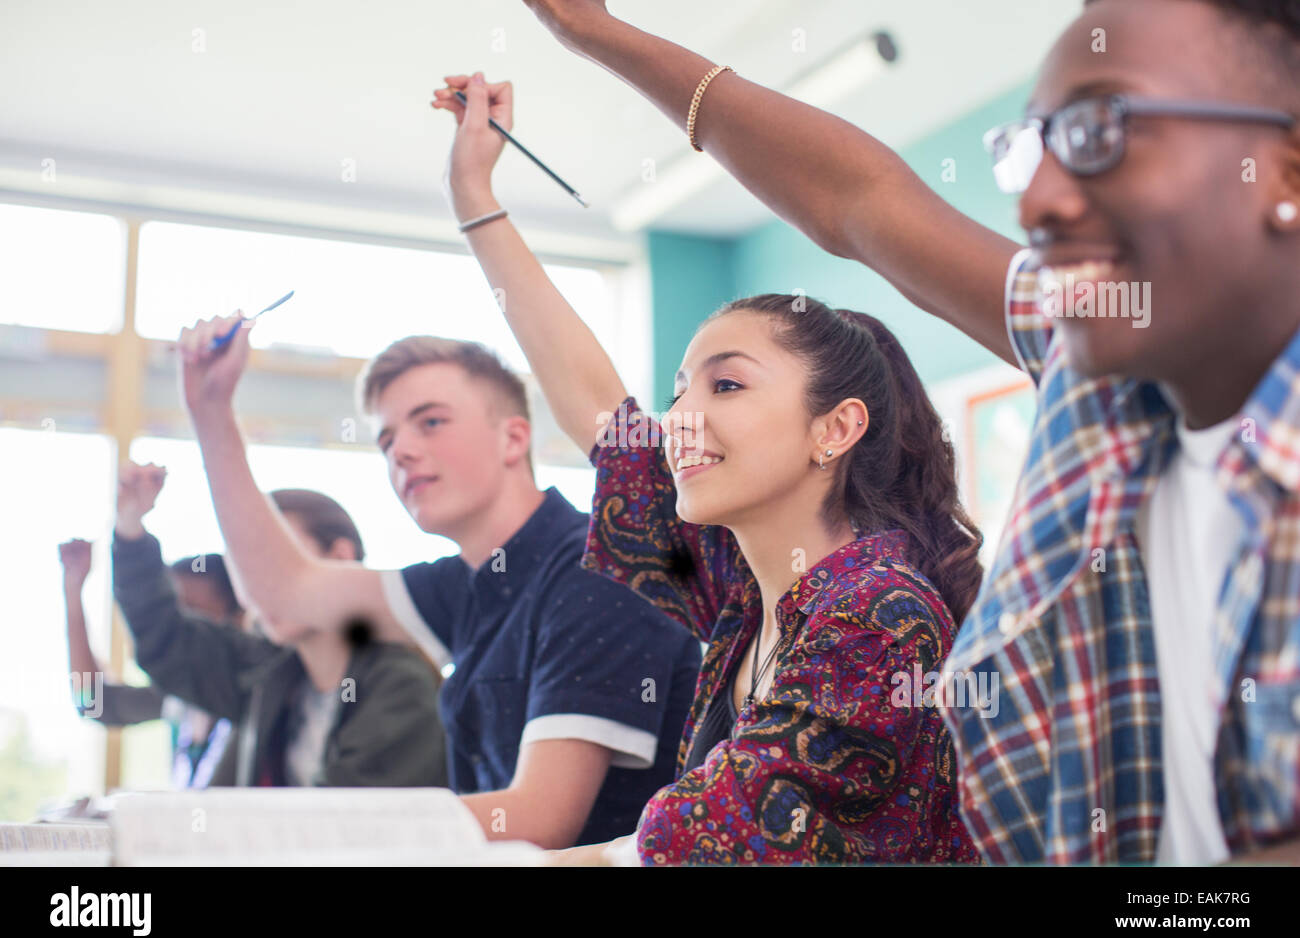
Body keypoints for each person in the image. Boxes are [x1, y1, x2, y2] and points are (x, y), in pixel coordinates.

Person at [518, 0, 1300, 863]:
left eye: (1098, 131)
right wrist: (594, 33)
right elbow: (858, 199)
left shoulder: (877, 615)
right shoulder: (1103, 380)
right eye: (1027, 150)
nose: (1037, 201)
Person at [432, 73, 984, 865]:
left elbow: (689, 845)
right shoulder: (746, 594)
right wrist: (474, 197)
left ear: (836, 429)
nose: (680, 417)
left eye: (726, 384)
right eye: (678, 389)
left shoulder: (875, 616)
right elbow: (600, 411)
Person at [174, 320, 701, 849]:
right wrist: (211, 414)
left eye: (429, 422)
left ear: (514, 438)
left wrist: (306, 827)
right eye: (386, 439)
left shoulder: (598, 570)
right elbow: (283, 591)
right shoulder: (466, 582)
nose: (399, 450)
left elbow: (540, 817)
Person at [111, 461, 447, 788]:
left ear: (341, 556)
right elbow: (167, 641)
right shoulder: (270, 673)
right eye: (245, 570)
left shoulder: (401, 686)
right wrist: (129, 527)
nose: (260, 588)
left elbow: (350, 829)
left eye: (276, 563)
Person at [58, 538, 238, 788]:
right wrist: (73, 589)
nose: (173, 638)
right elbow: (93, 703)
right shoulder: (178, 700)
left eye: (193, 617)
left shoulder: (252, 702)